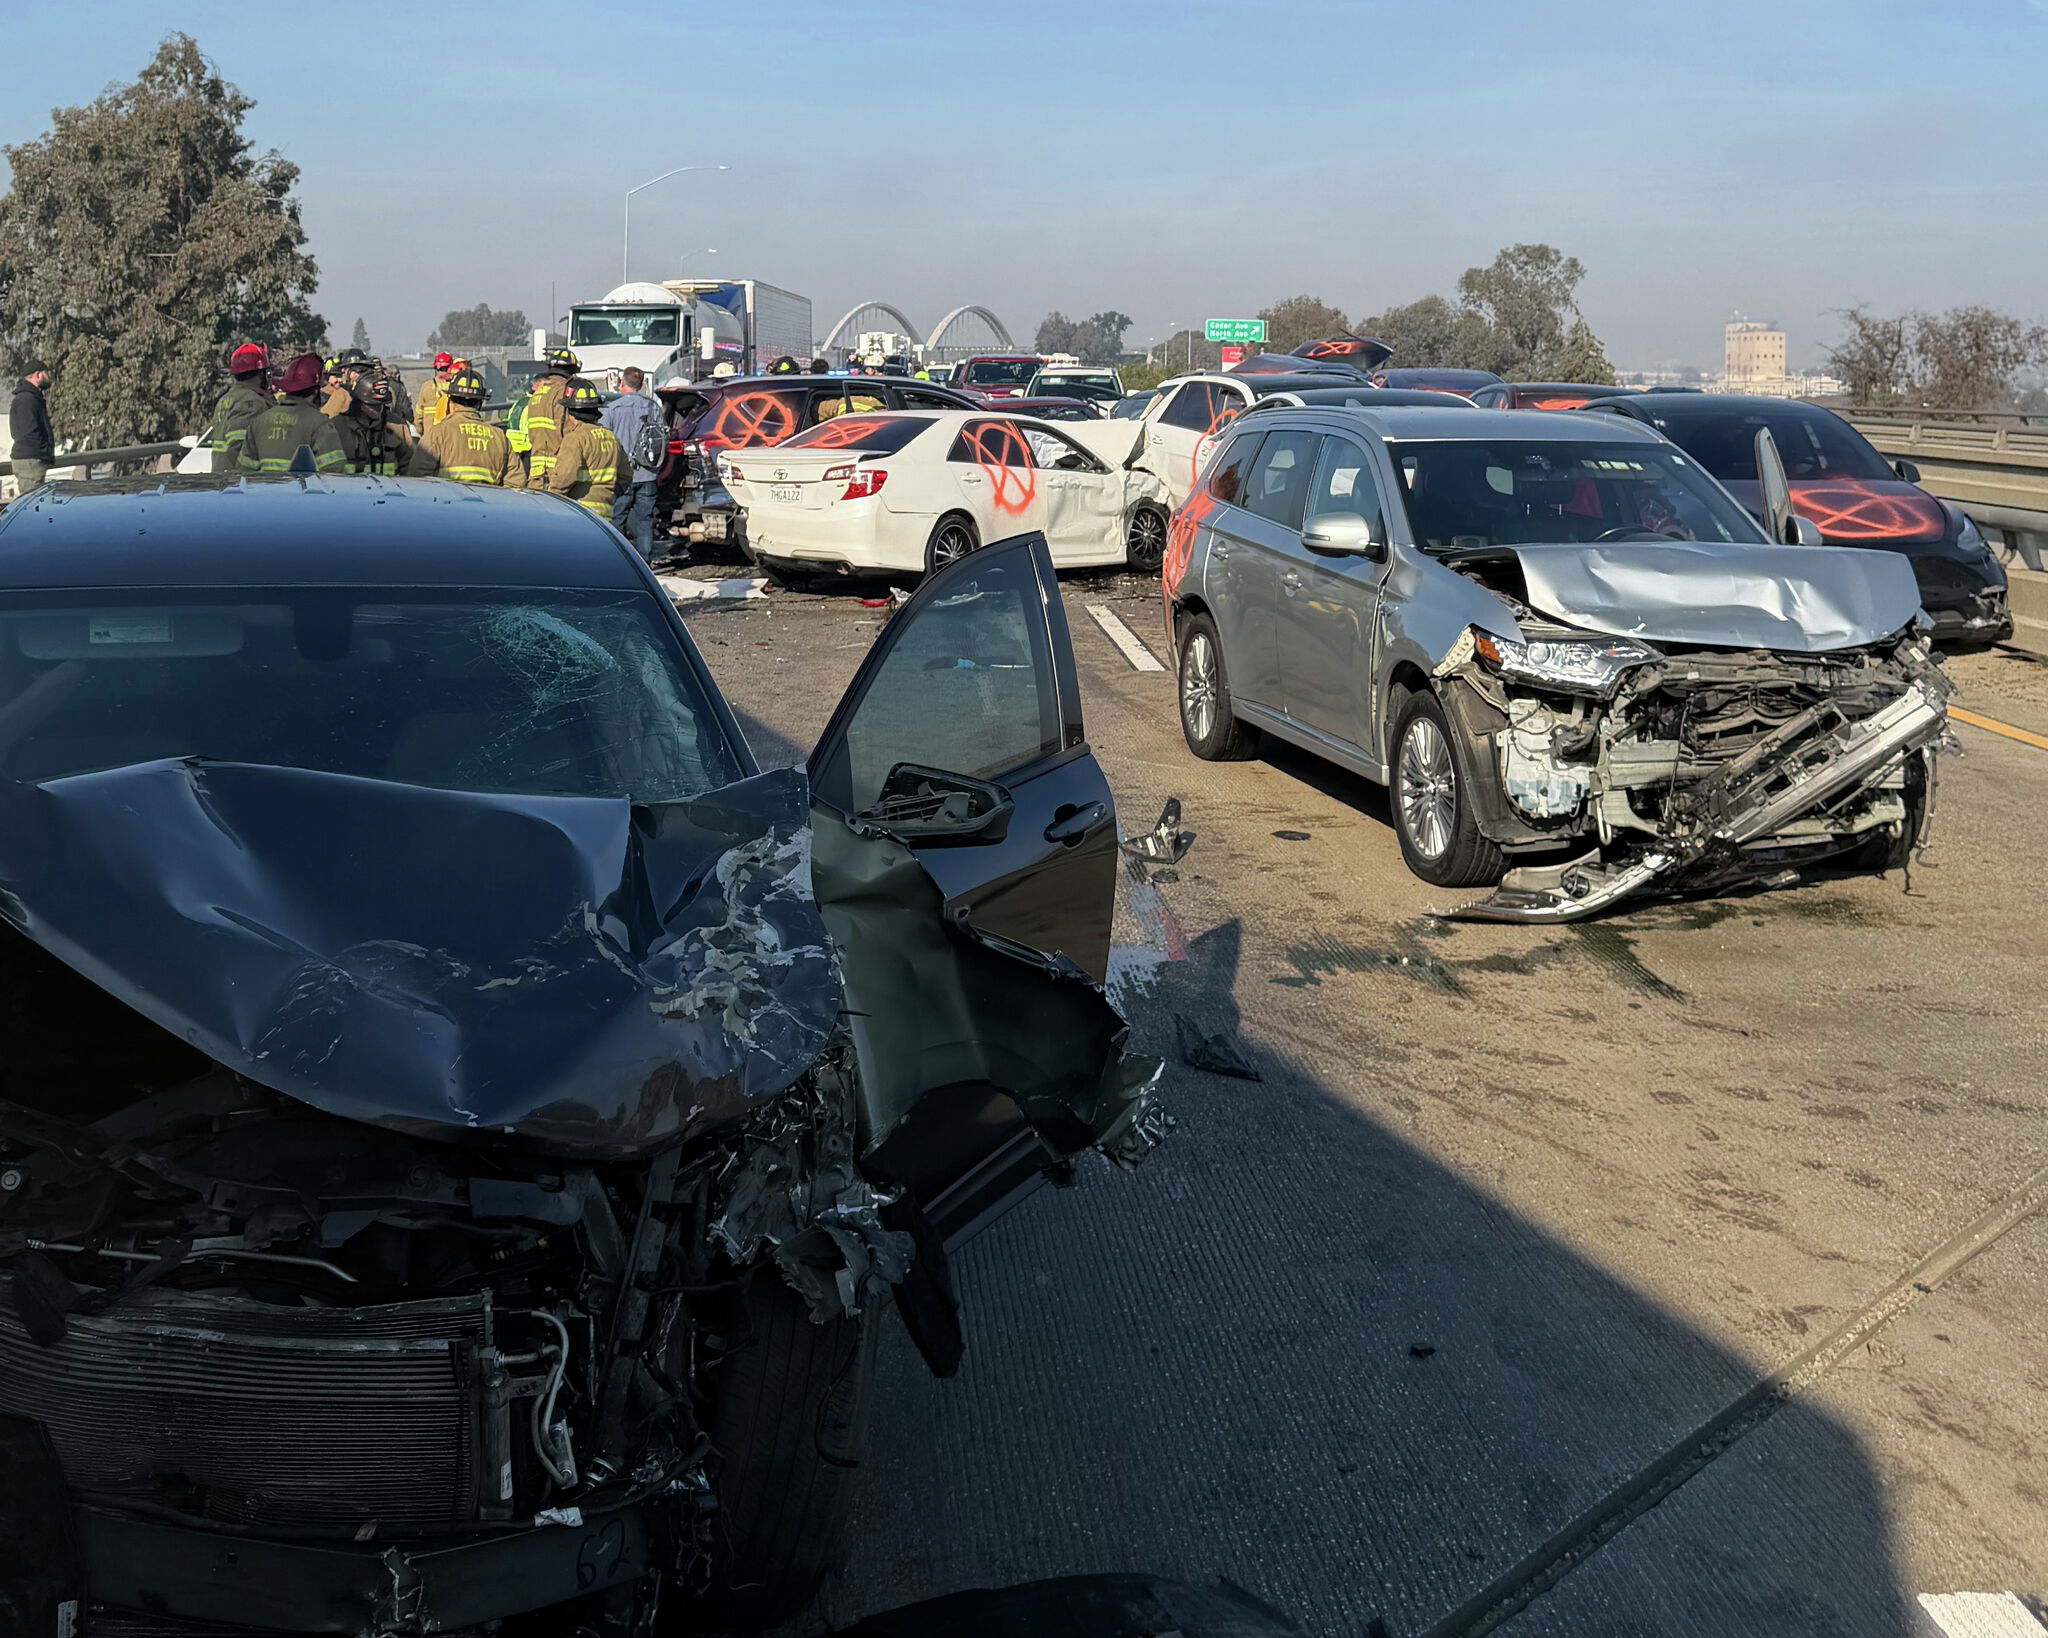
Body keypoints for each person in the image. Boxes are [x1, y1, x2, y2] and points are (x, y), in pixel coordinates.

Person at [407, 367, 521, 486]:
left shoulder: (437, 433)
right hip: (489, 503)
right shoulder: (500, 437)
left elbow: (417, 475)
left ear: (450, 401)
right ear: (480, 403)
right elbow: (516, 482)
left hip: (447, 502)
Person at [238, 353, 348, 475]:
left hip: (264, 493)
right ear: (316, 391)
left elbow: (244, 472)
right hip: (302, 494)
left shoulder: (259, 421)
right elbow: (335, 473)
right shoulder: (319, 423)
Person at [600, 366, 663, 560]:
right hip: (648, 474)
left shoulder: (612, 409)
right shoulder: (653, 407)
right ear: (642, 384)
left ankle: (616, 560)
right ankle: (646, 563)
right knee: (645, 521)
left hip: (623, 475)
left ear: (622, 383)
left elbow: (604, 441)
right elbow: (661, 440)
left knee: (617, 519)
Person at [547, 378, 629, 517]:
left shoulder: (576, 438)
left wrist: (550, 503)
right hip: (605, 517)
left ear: (569, 412)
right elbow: (626, 475)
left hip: (579, 515)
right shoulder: (611, 437)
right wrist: (609, 496)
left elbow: (563, 478)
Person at [522, 348, 581, 489]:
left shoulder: (537, 395)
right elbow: (571, 435)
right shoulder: (564, 394)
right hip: (558, 473)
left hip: (536, 474)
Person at [205, 345, 273, 462]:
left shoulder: (226, 399)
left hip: (222, 476)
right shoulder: (252, 402)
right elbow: (241, 450)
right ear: (261, 374)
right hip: (242, 479)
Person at [336, 372, 409, 474]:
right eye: (372, 405)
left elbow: (409, 466)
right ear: (359, 402)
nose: (377, 409)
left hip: (388, 488)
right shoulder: (338, 426)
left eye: (381, 404)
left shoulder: (398, 426)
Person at [9, 362, 55, 495]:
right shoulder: (26, 399)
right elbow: (27, 433)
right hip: (30, 461)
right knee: (31, 504)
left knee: (35, 502)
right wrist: (43, 451)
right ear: (38, 375)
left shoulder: (31, 397)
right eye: (47, 373)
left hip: (32, 460)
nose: (49, 377)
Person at [413, 351, 457, 432]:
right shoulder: (454, 387)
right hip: (448, 433)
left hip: (429, 434)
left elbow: (418, 412)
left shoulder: (426, 386)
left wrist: (418, 431)